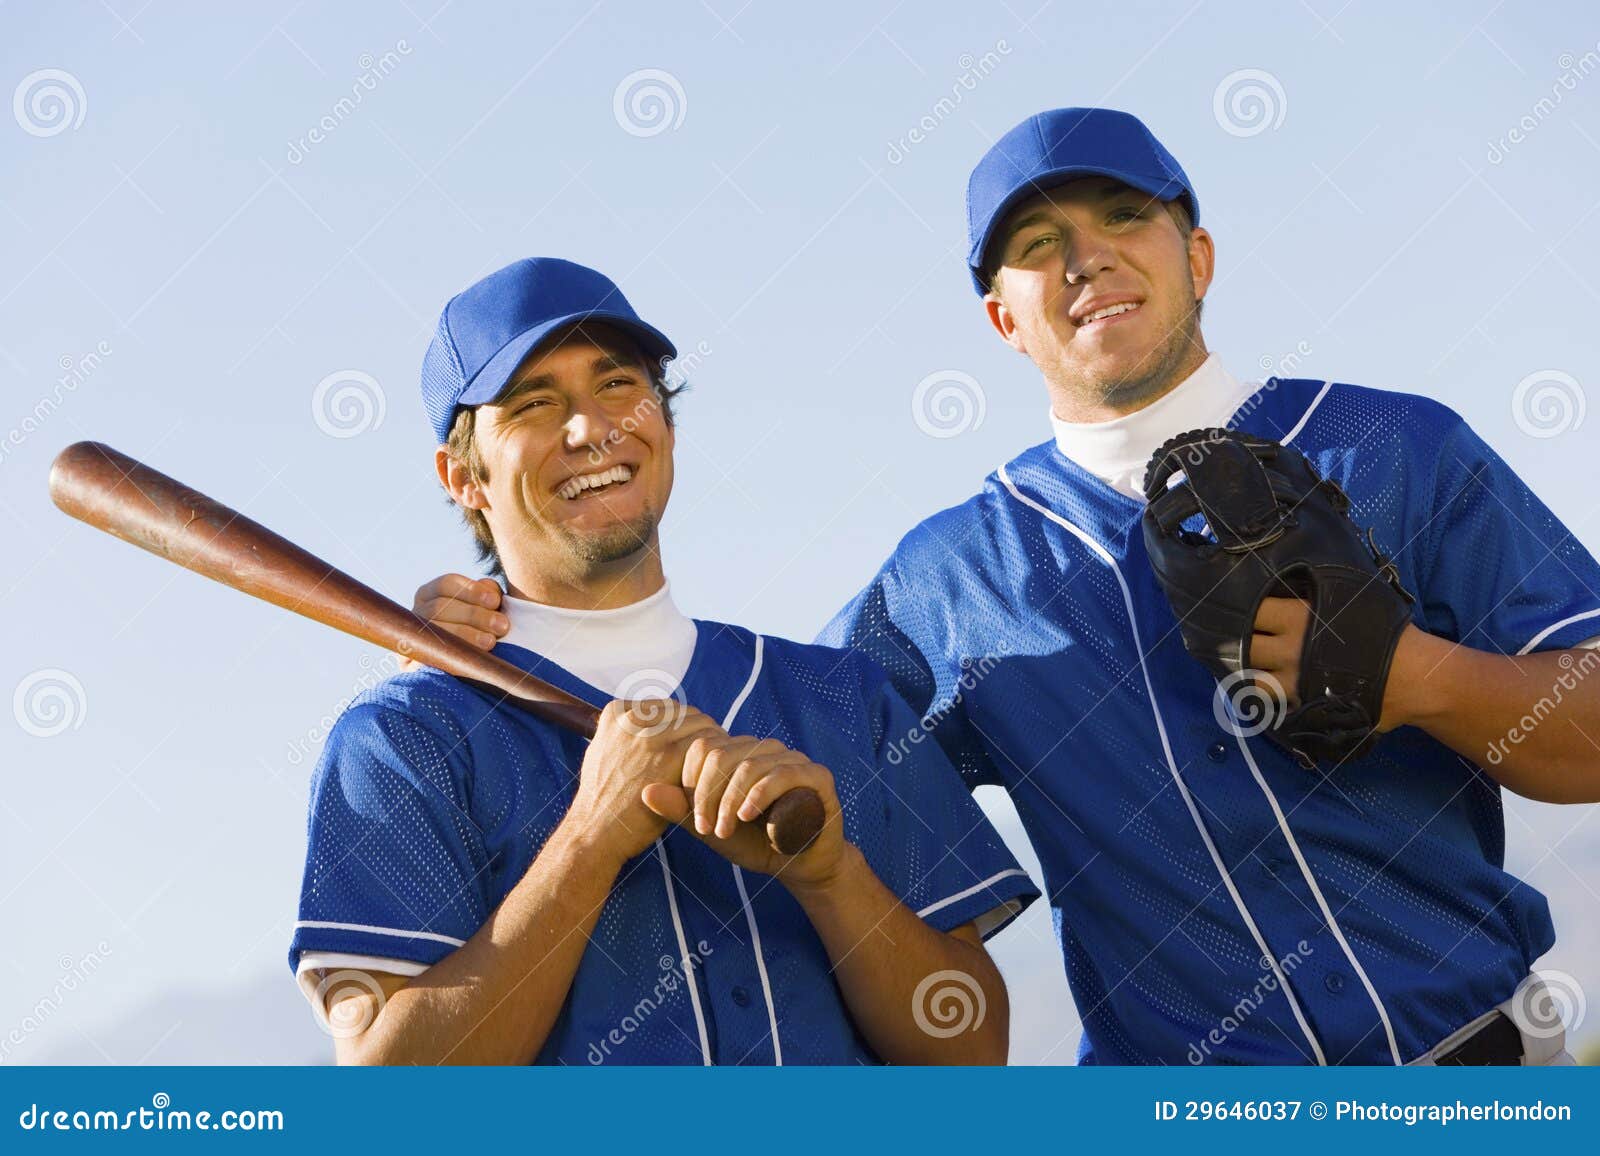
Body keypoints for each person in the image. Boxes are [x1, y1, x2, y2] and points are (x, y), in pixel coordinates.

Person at [410, 111, 1600, 1065]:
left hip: (1485, 1074)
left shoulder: (1397, 449)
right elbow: (731, 750)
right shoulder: (949, 580)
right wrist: (508, 643)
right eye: (1036, 248)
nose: (1085, 259)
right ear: (1000, 318)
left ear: (1197, 253)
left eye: (1124, 215)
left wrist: (1423, 678)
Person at [288, 257, 1037, 1066]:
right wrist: (588, 841)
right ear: (463, 477)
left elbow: (971, 1054)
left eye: (617, 386)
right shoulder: (404, 741)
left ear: (666, 422)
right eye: (535, 403)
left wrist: (831, 879)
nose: (592, 429)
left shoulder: (841, 698)